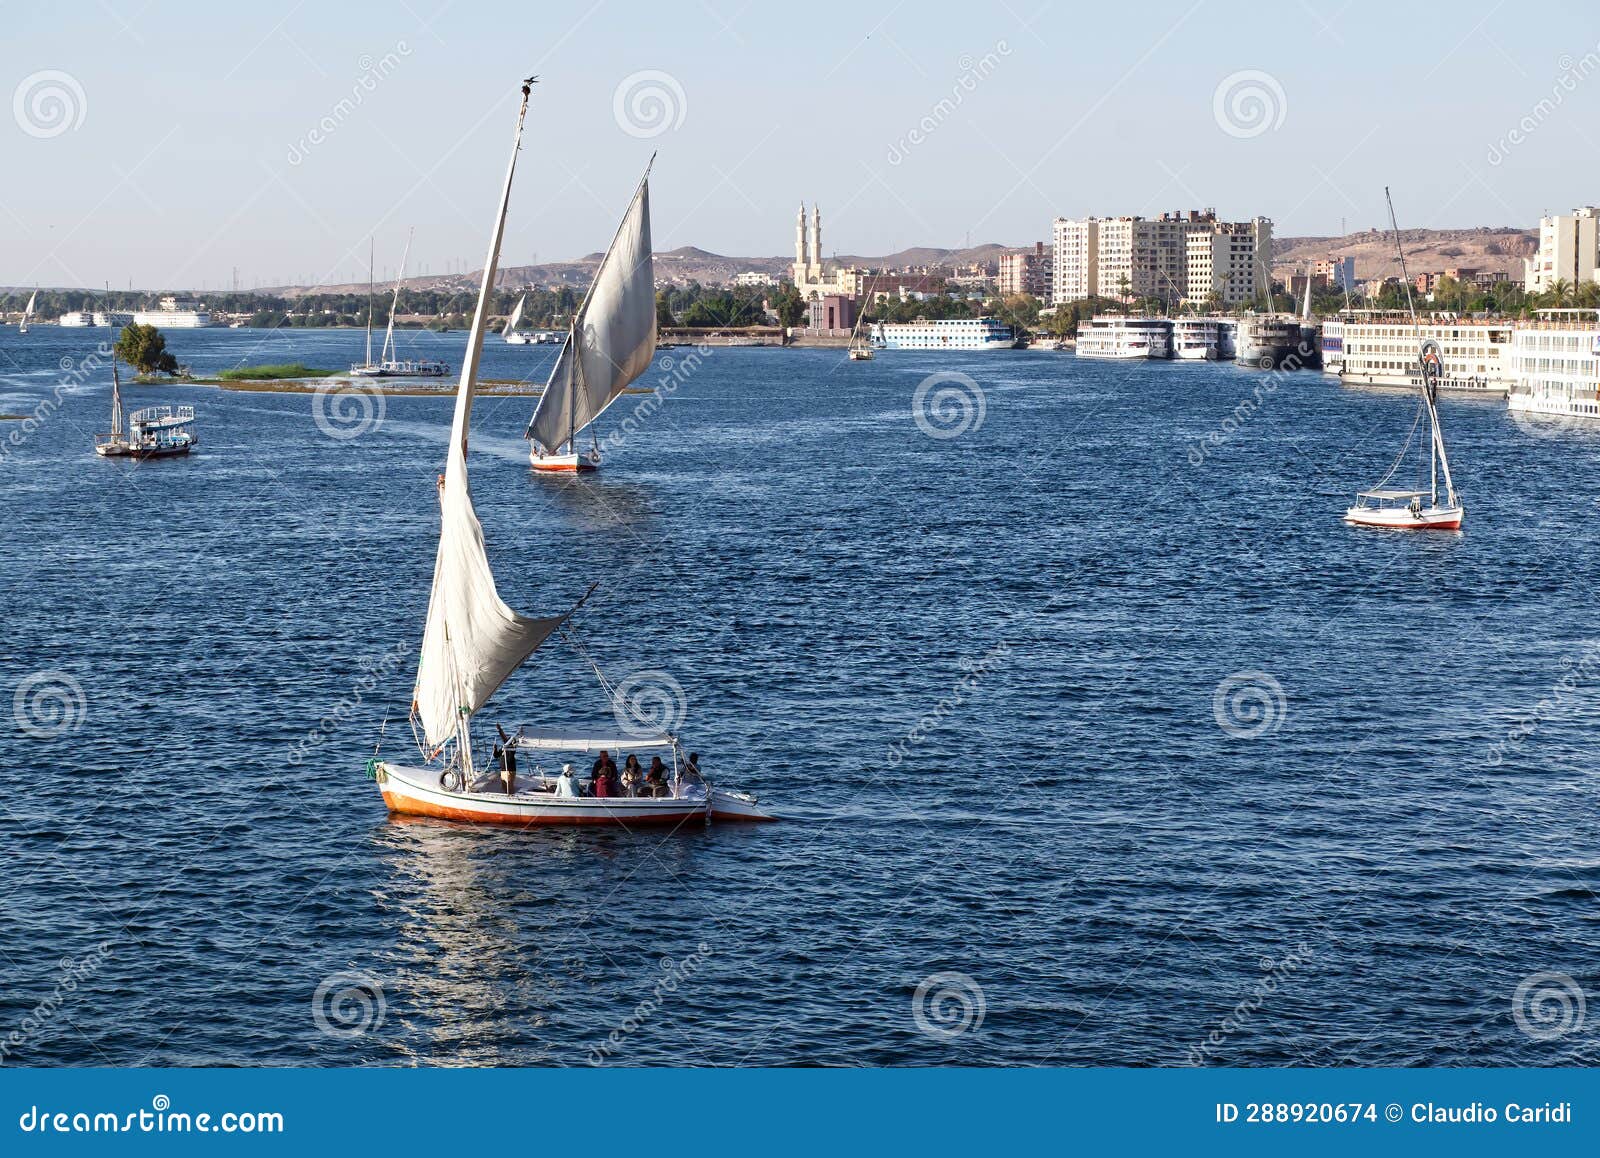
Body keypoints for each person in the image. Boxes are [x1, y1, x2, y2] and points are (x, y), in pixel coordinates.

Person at [495, 724, 518, 795]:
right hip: (503, 771)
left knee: (509, 788)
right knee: (504, 787)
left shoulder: (511, 748)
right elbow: (496, 755)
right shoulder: (503, 748)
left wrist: (500, 730)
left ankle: (512, 800)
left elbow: (504, 738)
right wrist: (495, 749)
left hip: (509, 771)